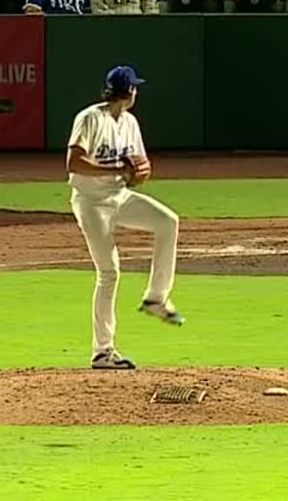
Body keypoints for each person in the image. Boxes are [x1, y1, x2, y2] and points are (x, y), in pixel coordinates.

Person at [65, 65, 183, 371]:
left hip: (119, 196)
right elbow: (74, 163)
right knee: (109, 272)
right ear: (129, 92)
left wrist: (139, 174)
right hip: (91, 202)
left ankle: (156, 298)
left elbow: (137, 170)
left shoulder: (130, 122)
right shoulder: (90, 118)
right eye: (135, 88)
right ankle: (103, 352)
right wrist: (118, 170)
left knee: (168, 222)